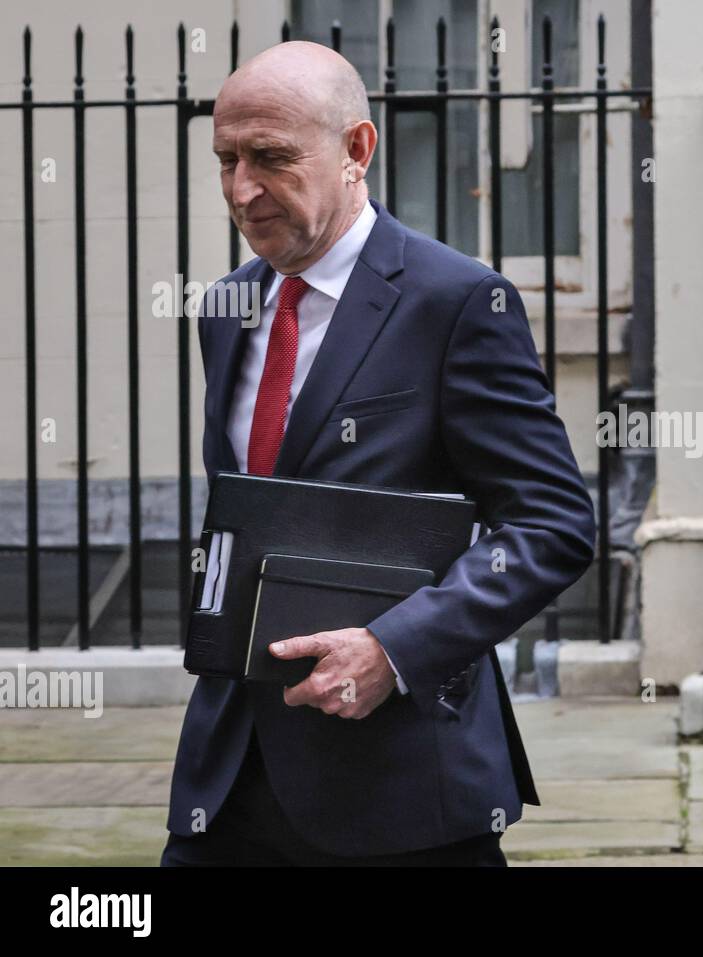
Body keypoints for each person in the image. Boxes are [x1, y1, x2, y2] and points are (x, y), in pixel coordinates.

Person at [160, 41, 595, 866]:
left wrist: (393, 650)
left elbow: (552, 524)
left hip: (401, 786)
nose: (241, 190)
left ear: (357, 150)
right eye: (226, 160)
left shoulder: (459, 301)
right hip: (228, 768)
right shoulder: (226, 309)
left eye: (271, 159)